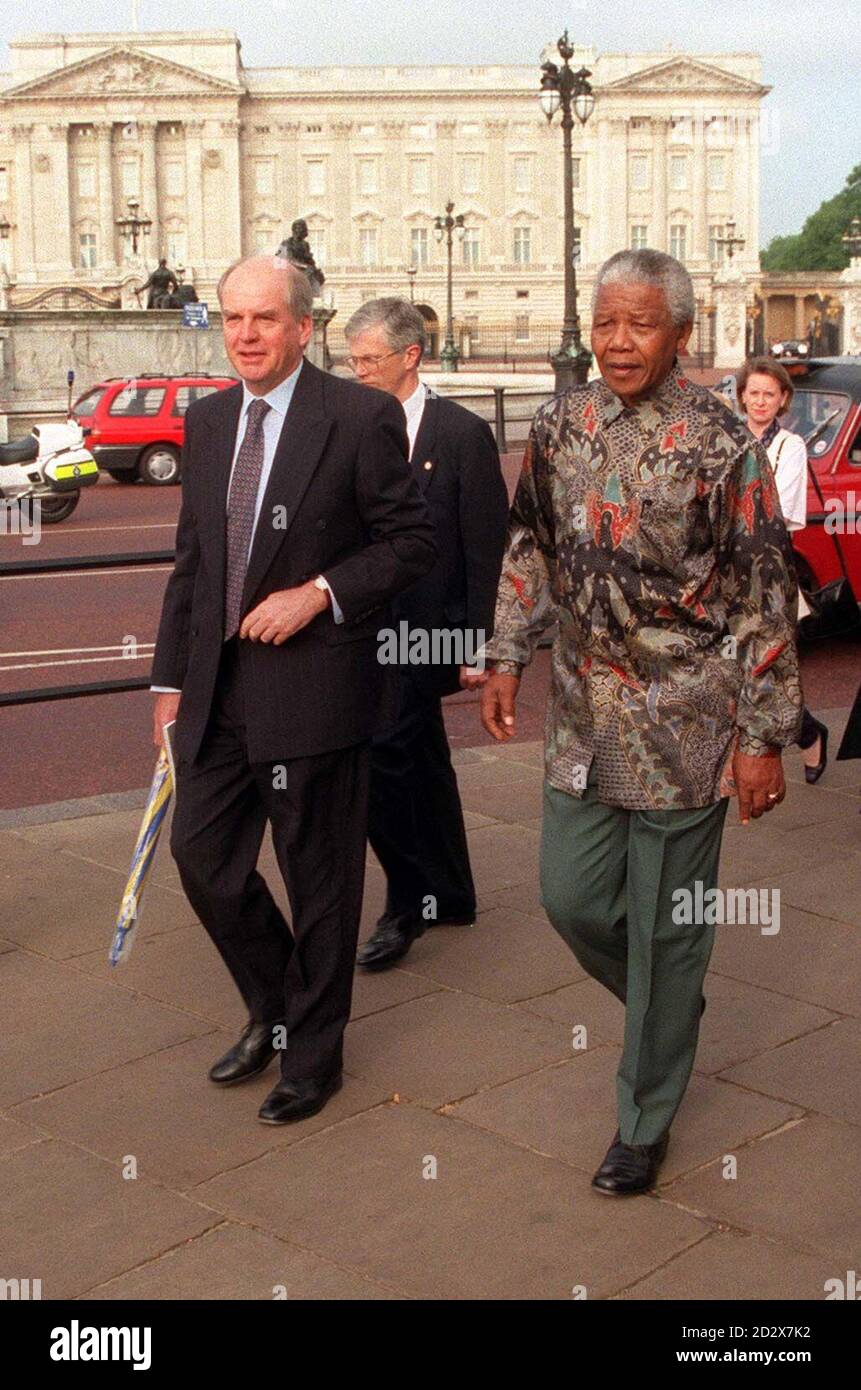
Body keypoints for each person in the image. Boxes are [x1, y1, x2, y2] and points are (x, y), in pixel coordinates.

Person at [481, 249, 802, 1196]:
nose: (618, 343)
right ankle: (667, 1009)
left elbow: (762, 594)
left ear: (681, 336)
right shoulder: (558, 423)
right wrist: (506, 652)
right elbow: (528, 540)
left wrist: (760, 738)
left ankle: (643, 1116)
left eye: (641, 325)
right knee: (570, 899)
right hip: (581, 713)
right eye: (606, 323)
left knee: (665, 927)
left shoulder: (720, 444)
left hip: (687, 721)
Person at [150, 256, 435, 1125]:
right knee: (203, 861)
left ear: (301, 328)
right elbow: (193, 563)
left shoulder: (356, 417)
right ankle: (275, 1010)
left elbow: (410, 541)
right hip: (215, 692)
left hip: (313, 690)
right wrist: (168, 681)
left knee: (320, 884)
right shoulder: (205, 422)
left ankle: (312, 1056)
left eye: (263, 320)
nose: (244, 335)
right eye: (232, 319)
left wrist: (319, 593)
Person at [343, 298, 509, 969]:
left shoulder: (461, 434)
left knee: (384, 751)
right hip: (366, 628)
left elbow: (485, 547)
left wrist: (481, 645)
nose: (357, 373)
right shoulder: (352, 426)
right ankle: (450, 892)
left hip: (431, 631)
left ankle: (405, 902)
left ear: (409, 356)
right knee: (421, 757)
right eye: (350, 361)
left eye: (368, 361)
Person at [738, 356, 828, 783]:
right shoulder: (727, 439)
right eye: (753, 393)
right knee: (727, 668)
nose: (760, 401)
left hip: (769, 569)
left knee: (770, 667)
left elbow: (781, 511)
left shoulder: (789, 446)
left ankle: (807, 732)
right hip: (724, 568)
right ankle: (734, 759)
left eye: (768, 394)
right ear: (741, 397)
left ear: (782, 400)